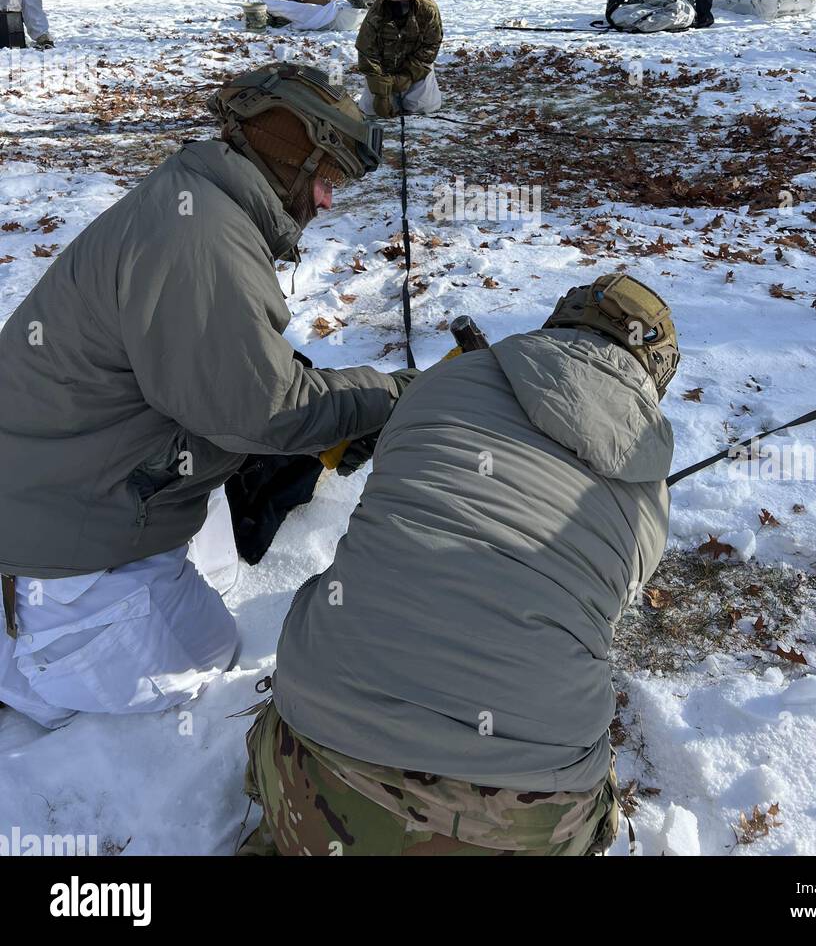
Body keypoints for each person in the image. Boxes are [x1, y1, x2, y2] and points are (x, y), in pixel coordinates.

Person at [0, 62, 415, 729]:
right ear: (287, 155)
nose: (329, 202)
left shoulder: (196, 198)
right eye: (328, 179)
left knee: (216, 582)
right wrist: (385, 397)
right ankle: (40, 671)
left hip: (57, 486)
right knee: (214, 683)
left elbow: (226, 376)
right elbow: (262, 411)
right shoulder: (202, 238)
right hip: (63, 545)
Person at [241, 273, 678, 857]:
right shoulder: (649, 488)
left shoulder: (448, 379)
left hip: (313, 755)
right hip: (520, 819)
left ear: (560, 322)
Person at [356, 0, 442, 117]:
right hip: (384, 69)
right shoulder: (376, 14)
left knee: (424, 106)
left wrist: (408, 74)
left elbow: (431, 45)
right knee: (369, 109)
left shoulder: (427, 10)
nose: (399, 3)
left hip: (417, 67)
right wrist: (380, 89)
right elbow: (367, 52)